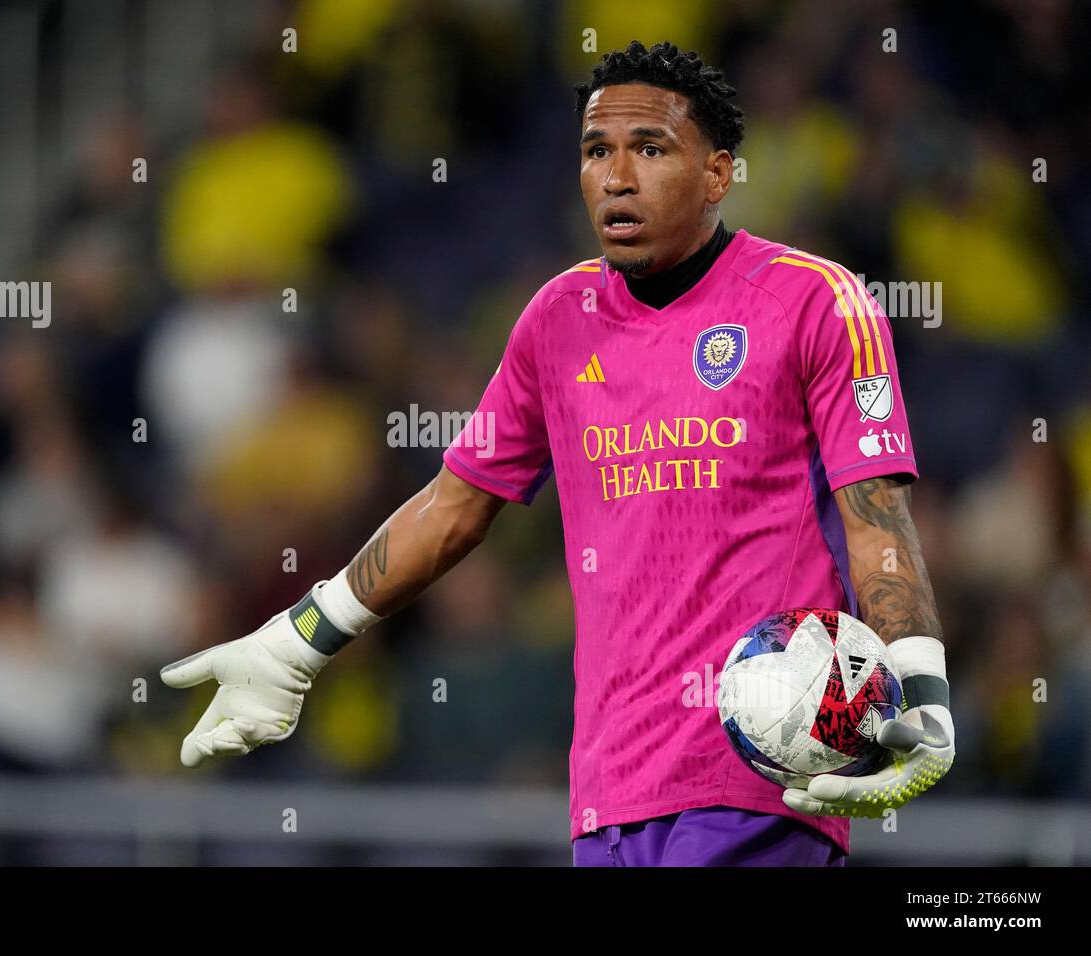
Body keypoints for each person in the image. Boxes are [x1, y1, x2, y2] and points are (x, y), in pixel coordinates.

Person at [161, 41, 954, 867]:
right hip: (607, 796)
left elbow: (877, 515)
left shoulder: (816, 301)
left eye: (649, 149)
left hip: (760, 777)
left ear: (717, 174)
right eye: (595, 151)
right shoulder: (557, 320)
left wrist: (923, 690)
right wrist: (298, 640)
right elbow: (454, 508)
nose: (616, 176)